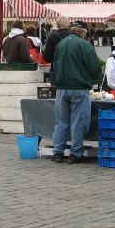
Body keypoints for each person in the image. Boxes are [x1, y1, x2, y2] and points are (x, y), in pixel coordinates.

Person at [51, 26, 101, 164]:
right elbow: (93, 65)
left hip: (61, 88)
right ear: (83, 33)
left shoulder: (61, 44)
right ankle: (75, 153)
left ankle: (58, 152)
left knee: (61, 122)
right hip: (79, 87)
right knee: (78, 122)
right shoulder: (84, 44)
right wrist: (97, 78)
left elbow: (54, 64)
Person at [41, 17, 72, 84]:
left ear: (57, 25)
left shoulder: (52, 37)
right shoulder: (73, 36)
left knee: (56, 90)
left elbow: (47, 57)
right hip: (72, 70)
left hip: (56, 69)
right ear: (68, 24)